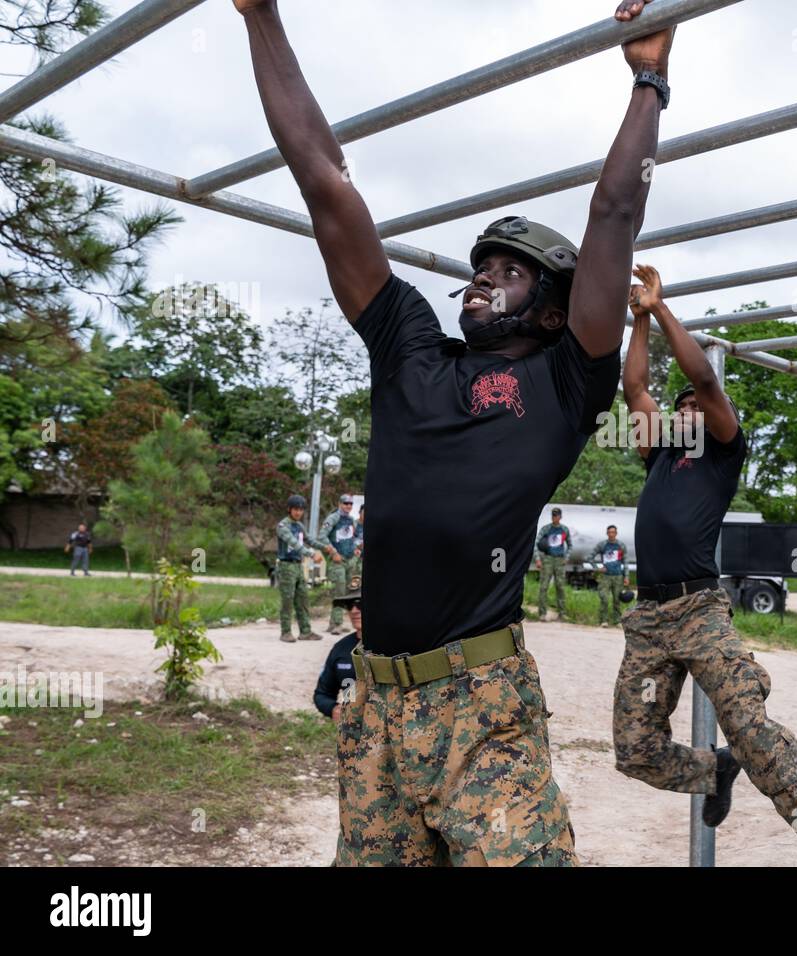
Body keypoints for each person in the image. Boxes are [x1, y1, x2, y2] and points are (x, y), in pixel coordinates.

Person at [236, 0, 674, 866]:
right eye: (479, 269)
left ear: (553, 312)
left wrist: (648, 80)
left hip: (481, 706)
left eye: (509, 273)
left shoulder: (562, 379)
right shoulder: (410, 349)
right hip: (374, 707)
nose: (482, 280)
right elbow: (326, 181)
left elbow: (615, 215)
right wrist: (261, 16)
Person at [615, 264, 797, 866]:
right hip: (649, 620)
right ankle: (713, 772)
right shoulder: (660, 454)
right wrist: (639, 321)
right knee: (635, 749)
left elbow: (703, 378)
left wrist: (664, 307)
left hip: (700, 614)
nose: (683, 411)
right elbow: (634, 390)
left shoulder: (722, 449)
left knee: (752, 732)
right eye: (675, 408)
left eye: (692, 407)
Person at [275, 494, 324, 643]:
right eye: (296, 509)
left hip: (297, 566)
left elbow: (309, 540)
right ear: (289, 509)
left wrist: (326, 548)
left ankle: (305, 631)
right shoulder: (283, 526)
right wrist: (310, 554)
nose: (298, 512)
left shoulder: (299, 526)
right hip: (286, 566)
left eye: (301, 510)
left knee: (302, 599)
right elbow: (294, 543)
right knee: (287, 600)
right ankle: (285, 632)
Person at [314, 586, 362, 722]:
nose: (354, 611)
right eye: (350, 605)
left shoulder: (395, 647)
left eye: (361, 604)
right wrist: (333, 709)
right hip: (353, 732)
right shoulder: (341, 649)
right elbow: (322, 694)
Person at [318, 494, 362, 635]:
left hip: (349, 560)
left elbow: (353, 536)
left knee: (348, 593)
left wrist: (355, 547)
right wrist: (332, 552)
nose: (348, 506)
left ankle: (334, 623)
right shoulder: (333, 518)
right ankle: (336, 624)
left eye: (350, 504)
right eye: (345, 503)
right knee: (340, 591)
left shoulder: (350, 520)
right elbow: (322, 536)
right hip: (338, 561)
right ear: (339, 504)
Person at [536, 507, 572, 621]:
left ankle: (562, 613)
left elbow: (570, 545)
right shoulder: (546, 529)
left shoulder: (564, 529)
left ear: (560, 517)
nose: (554, 517)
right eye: (553, 515)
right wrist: (537, 559)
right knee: (544, 586)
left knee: (560, 587)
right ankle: (542, 613)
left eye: (556, 515)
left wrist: (567, 557)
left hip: (560, 560)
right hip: (547, 559)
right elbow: (536, 543)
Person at [591, 524, 630, 628]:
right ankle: (603, 620)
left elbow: (625, 562)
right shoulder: (602, 545)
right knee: (604, 598)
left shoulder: (621, 546)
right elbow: (590, 557)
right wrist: (597, 568)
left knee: (617, 600)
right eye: (609, 532)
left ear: (616, 533)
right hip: (605, 576)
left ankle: (617, 621)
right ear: (607, 533)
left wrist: (626, 576)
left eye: (613, 532)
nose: (611, 534)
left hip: (618, 576)